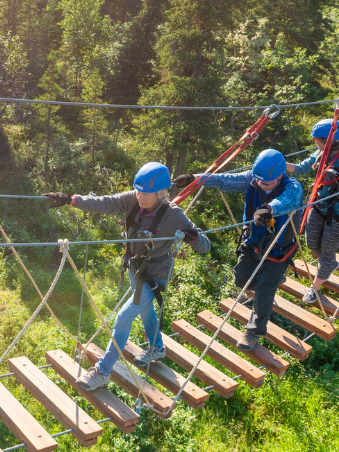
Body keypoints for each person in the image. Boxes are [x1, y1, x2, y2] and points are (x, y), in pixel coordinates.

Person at [44, 162, 210, 391]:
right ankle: (157, 347)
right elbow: (105, 202)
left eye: (146, 193)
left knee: (123, 318)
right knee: (145, 311)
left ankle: (102, 372)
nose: (140, 196)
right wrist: (72, 199)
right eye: (138, 190)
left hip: (155, 277)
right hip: (135, 269)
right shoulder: (132, 199)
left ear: (161, 193)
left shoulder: (173, 215)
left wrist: (194, 238)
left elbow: (205, 246)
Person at [171, 149, 303, 352]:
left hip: (278, 250)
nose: (260, 184)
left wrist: (269, 210)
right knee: (241, 280)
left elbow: (287, 201)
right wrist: (195, 179)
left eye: (266, 182)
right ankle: (271, 282)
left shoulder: (292, 186)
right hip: (253, 243)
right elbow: (225, 180)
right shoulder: (253, 179)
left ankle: (254, 331)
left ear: (279, 175)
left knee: (264, 292)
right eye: (258, 180)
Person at [287, 119, 339, 304]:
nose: (315, 142)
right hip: (319, 206)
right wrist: (280, 164)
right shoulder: (320, 154)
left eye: (317, 139)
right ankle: (329, 264)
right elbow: (301, 168)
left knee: (326, 252)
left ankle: (315, 288)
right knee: (312, 245)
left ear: (328, 141)